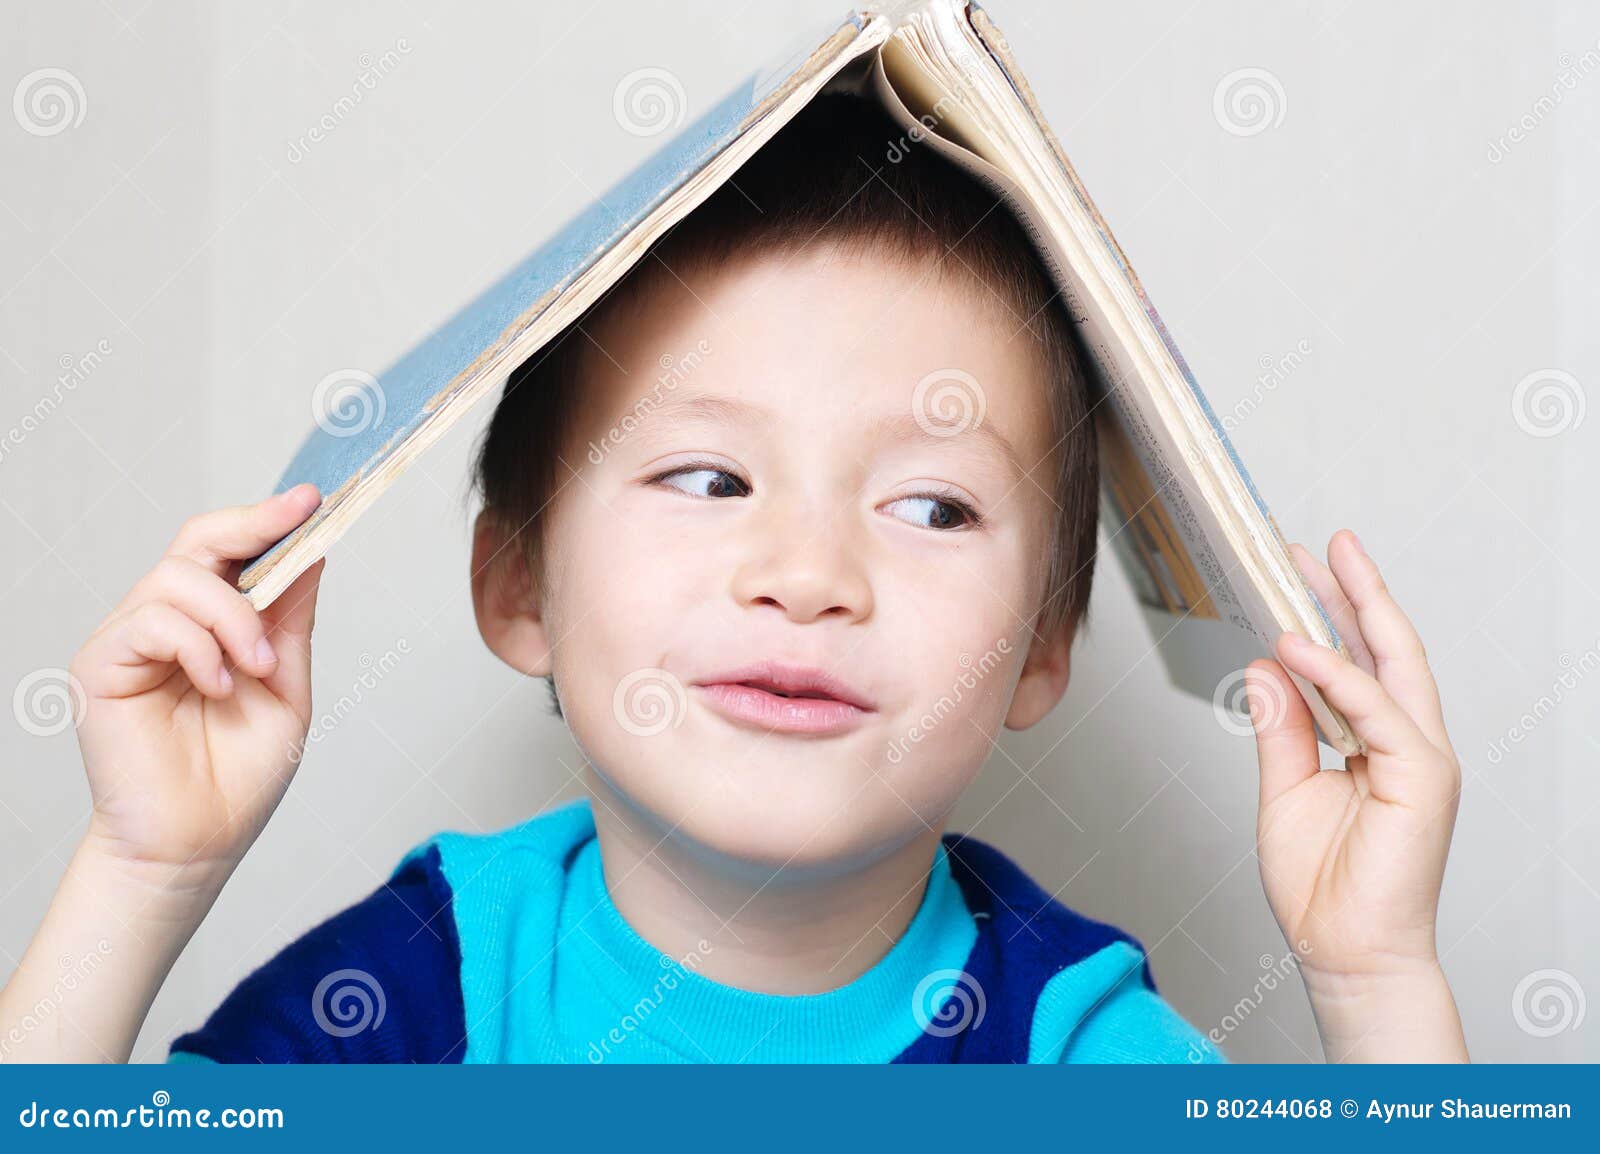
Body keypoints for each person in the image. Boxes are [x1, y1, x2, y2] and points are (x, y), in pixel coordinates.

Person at [0, 94, 1467, 1063]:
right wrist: (143, 870)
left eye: (934, 503)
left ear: (1040, 646)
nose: (808, 572)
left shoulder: (1065, 1041)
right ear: (517, 588)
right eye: (710, 478)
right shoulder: (440, 979)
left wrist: (1372, 970)